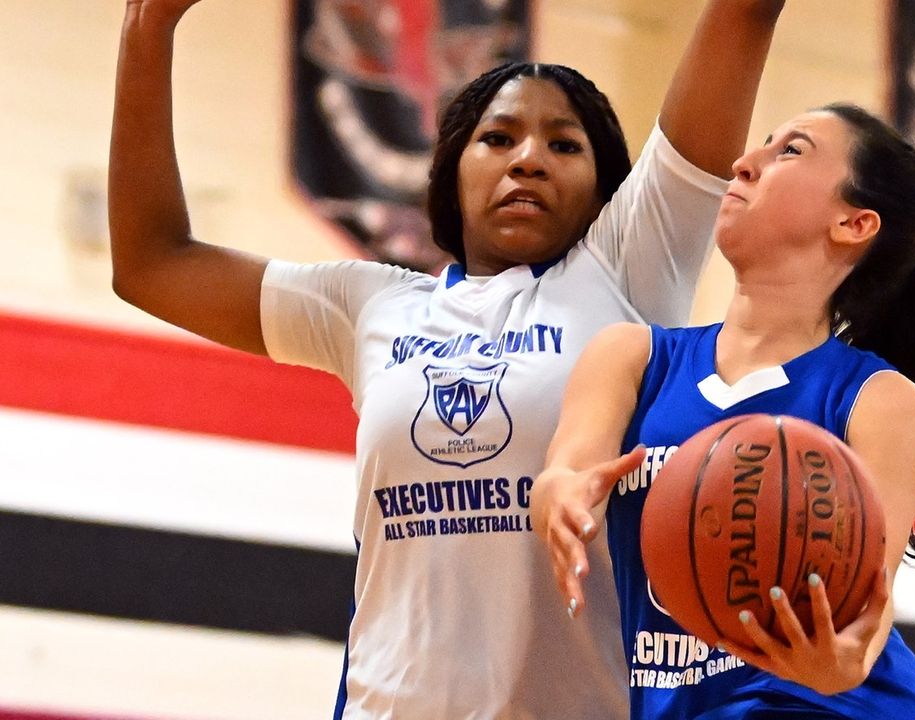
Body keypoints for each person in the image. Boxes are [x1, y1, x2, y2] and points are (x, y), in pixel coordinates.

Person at [108, 0, 789, 717]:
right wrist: (148, 30)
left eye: (564, 146)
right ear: (451, 171)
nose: (529, 158)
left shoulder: (627, 266)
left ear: (604, 192)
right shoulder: (372, 304)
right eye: (498, 138)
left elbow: (744, 15)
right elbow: (153, 265)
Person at [532, 103, 915, 718]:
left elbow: (870, 605)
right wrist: (559, 498)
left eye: (790, 150)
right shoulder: (633, 356)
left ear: (853, 223)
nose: (744, 162)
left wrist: (843, 660)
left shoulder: (878, 398)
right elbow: (564, 472)